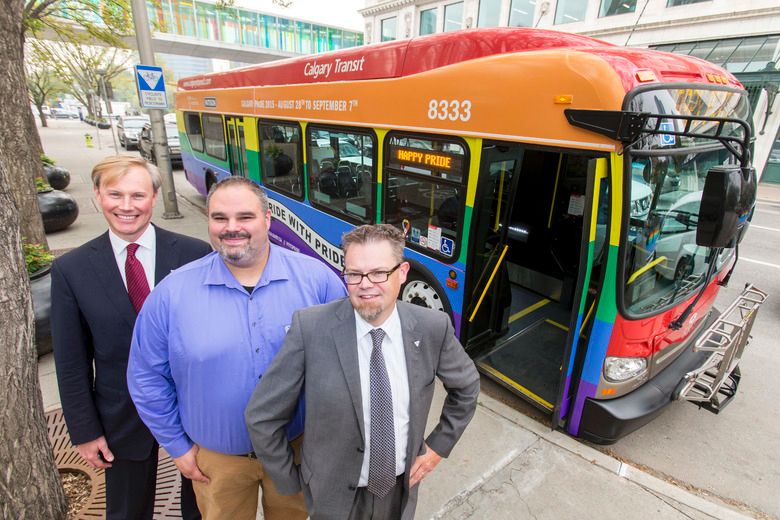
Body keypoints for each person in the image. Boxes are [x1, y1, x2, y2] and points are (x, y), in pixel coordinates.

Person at [127, 177, 347, 520]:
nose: (232, 228)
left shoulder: (317, 281)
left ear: (267, 219)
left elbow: (348, 361)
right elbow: (146, 376)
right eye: (220, 218)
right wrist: (177, 447)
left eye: (245, 217)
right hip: (217, 464)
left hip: (297, 452)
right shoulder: (171, 294)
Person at [245, 224, 480, 520]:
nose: (365, 284)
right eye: (354, 274)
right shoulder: (310, 328)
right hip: (332, 498)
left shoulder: (432, 327)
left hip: (399, 492)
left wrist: (437, 447)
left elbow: (467, 387)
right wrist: (291, 482)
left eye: (379, 273)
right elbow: (262, 415)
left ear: (402, 273)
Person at [51, 155, 211, 520]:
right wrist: (84, 430)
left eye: (137, 195)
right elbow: (72, 362)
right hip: (120, 417)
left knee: (201, 509)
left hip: (194, 413)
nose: (127, 206)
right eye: (115, 194)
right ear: (97, 196)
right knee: (127, 511)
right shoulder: (71, 270)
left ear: (154, 197)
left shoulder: (195, 254)